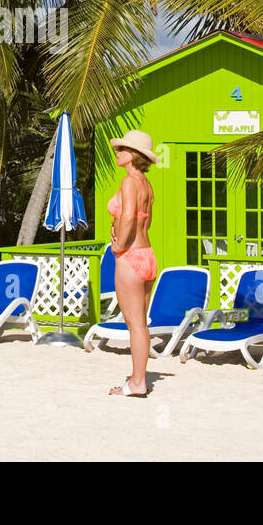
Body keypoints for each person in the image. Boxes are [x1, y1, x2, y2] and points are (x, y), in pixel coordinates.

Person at [105, 129, 158, 397]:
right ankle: (138, 377)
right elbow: (145, 220)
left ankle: (138, 382)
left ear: (134, 155)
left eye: (123, 149)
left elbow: (127, 218)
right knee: (141, 323)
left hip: (130, 256)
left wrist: (118, 245)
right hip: (147, 255)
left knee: (134, 324)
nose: (118, 152)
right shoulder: (146, 184)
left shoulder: (129, 183)